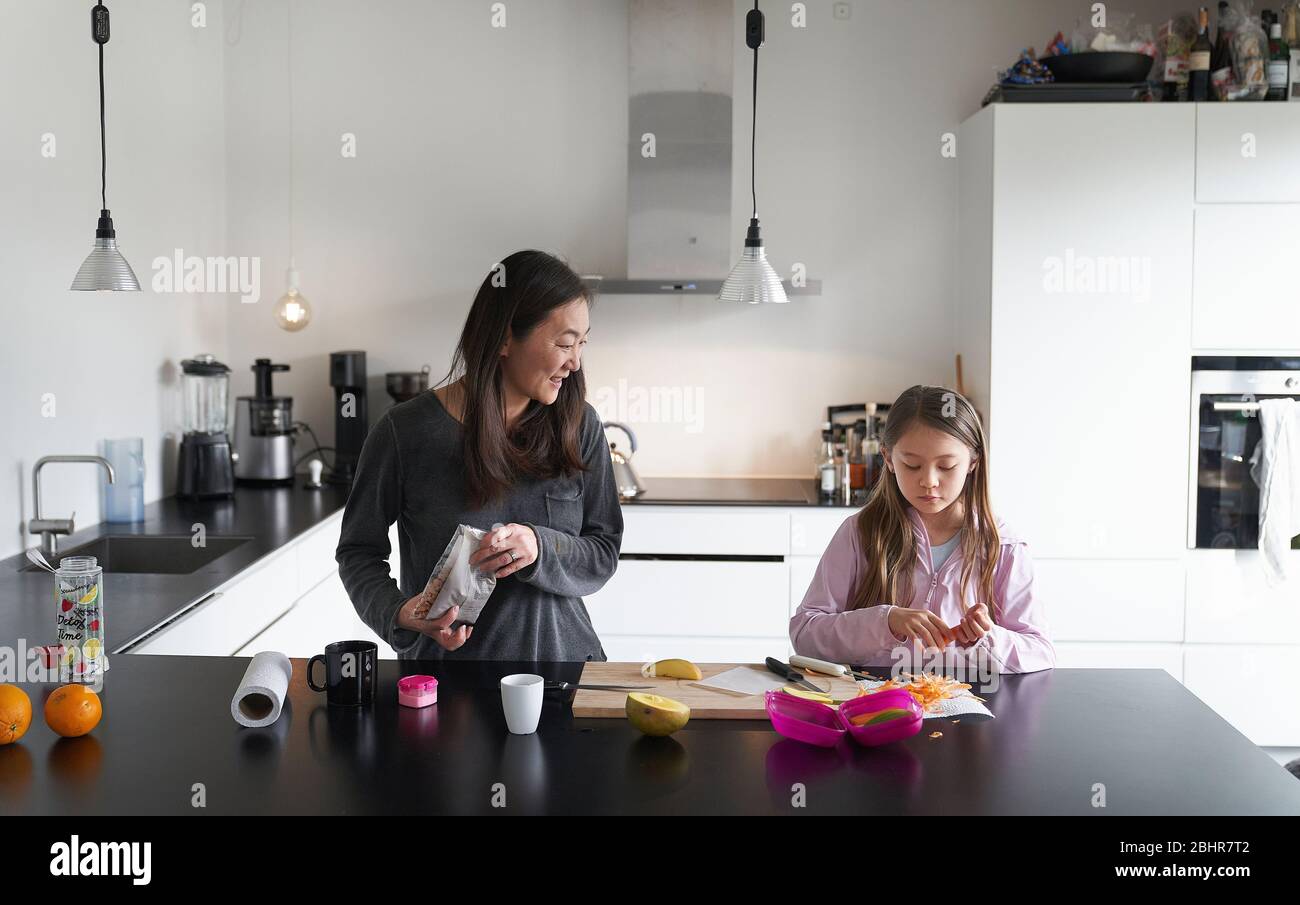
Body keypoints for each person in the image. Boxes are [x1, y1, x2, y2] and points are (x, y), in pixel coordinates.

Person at [336, 250, 622, 661]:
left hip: (566, 672)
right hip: (447, 682)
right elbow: (357, 551)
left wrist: (539, 546)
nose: (575, 363)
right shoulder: (405, 432)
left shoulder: (580, 426)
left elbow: (602, 552)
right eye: (564, 343)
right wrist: (399, 612)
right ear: (505, 338)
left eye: (582, 343)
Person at [789, 385, 1055, 673]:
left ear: (973, 462)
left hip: (969, 711)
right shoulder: (859, 533)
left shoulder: (1003, 546)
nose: (929, 481)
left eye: (947, 466)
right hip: (875, 710)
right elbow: (805, 634)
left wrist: (988, 638)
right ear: (888, 459)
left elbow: (1039, 652)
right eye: (912, 465)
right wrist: (885, 622)